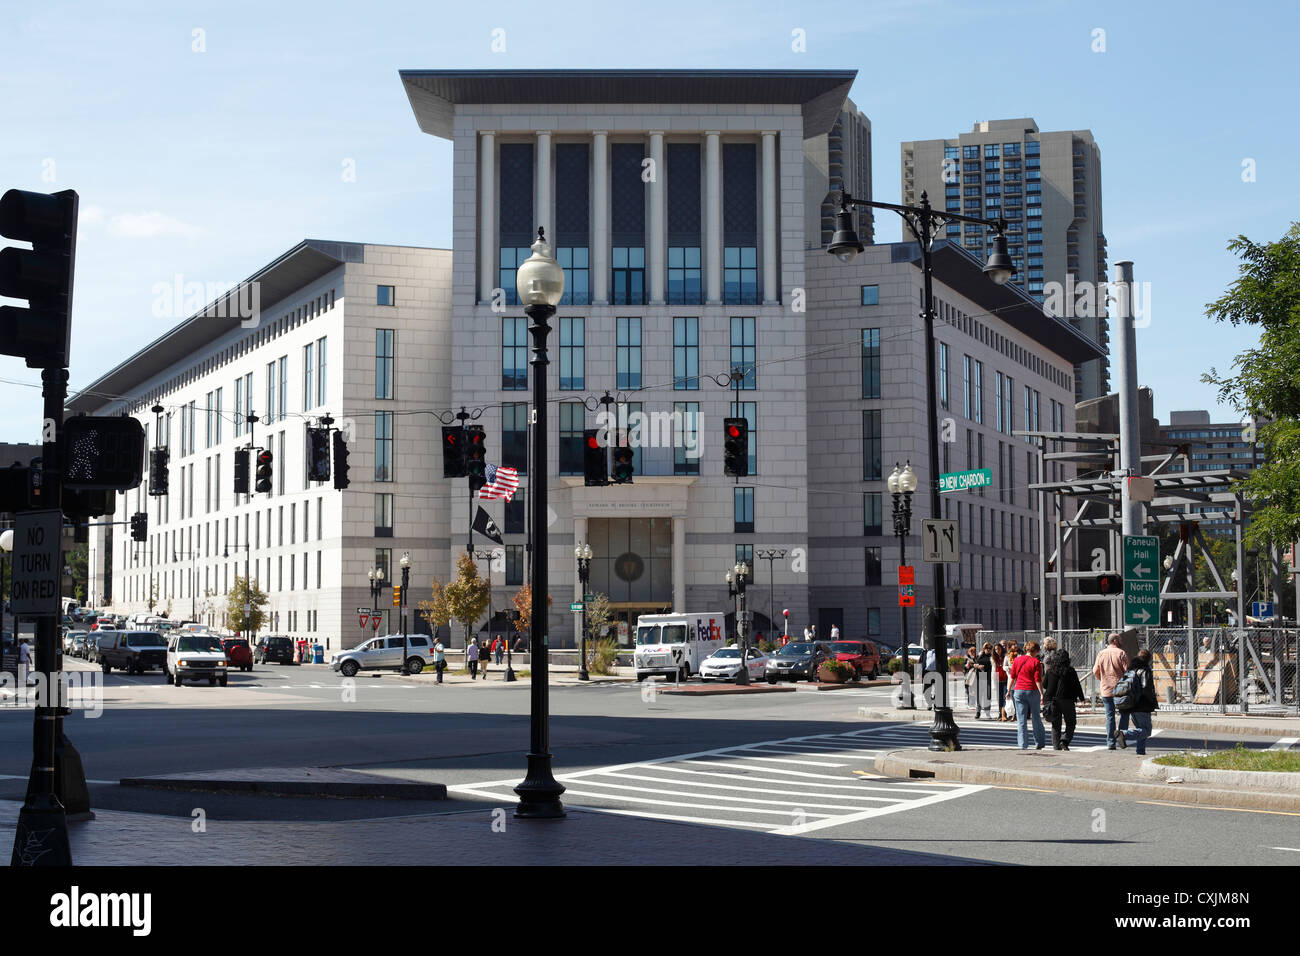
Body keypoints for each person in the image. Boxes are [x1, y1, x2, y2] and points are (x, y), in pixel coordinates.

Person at [1092, 632, 1131, 750]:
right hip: (1121, 690)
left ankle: (1110, 742)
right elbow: (1128, 672)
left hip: (1106, 689)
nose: (1121, 642)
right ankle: (1121, 736)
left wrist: (1102, 679)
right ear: (1115, 641)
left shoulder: (1101, 654)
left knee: (1110, 716)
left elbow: (1095, 671)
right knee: (1124, 713)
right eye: (1119, 640)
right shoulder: (1121, 653)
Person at [1117, 648, 1159, 754]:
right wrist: (1152, 702)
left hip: (1131, 704)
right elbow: (1146, 688)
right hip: (1142, 705)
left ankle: (1140, 751)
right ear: (1148, 659)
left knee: (1140, 729)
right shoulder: (1145, 669)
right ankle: (1124, 734)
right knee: (1146, 731)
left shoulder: (1130, 669)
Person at [1043, 650, 1086, 750]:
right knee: (1071, 723)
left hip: (1052, 700)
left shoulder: (1050, 671)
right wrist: (1081, 698)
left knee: (1055, 724)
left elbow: (1045, 685)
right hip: (1067, 700)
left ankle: (1056, 746)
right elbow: (1077, 686)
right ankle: (1065, 740)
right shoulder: (1070, 671)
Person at [1010, 640, 1046, 750]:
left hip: (1019, 690)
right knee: (1036, 717)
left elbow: (1012, 676)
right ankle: (1039, 742)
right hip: (1032, 690)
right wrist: (1041, 693)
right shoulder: (1036, 662)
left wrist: (1008, 690)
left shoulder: (1017, 660)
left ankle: (1023, 744)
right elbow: (1037, 679)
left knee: (1021, 720)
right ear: (1035, 651)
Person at [974, 642, 994, 718]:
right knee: (979, 695)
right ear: (984, 648)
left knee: (988, 695)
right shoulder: (980, 655)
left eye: (989, 648)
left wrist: (985, 666)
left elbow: (992, 665)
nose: (988, 649)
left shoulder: (991, 656)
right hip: (980, 676)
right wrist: (977, 666)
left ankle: (987, 712)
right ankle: (978, 711)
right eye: (986, 648)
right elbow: (974, 663)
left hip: (988, 676)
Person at [992, 642, 1008, 720]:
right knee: (999, 698)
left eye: (998, 649)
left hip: (1005, 680)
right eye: (995, 649)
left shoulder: (1006, 657)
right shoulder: (994, 658)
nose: (997, 650)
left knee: (1005, 697)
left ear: (1002, 649)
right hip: (998, 680)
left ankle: (1004, 714)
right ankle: (1000, 713)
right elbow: (993, 671)